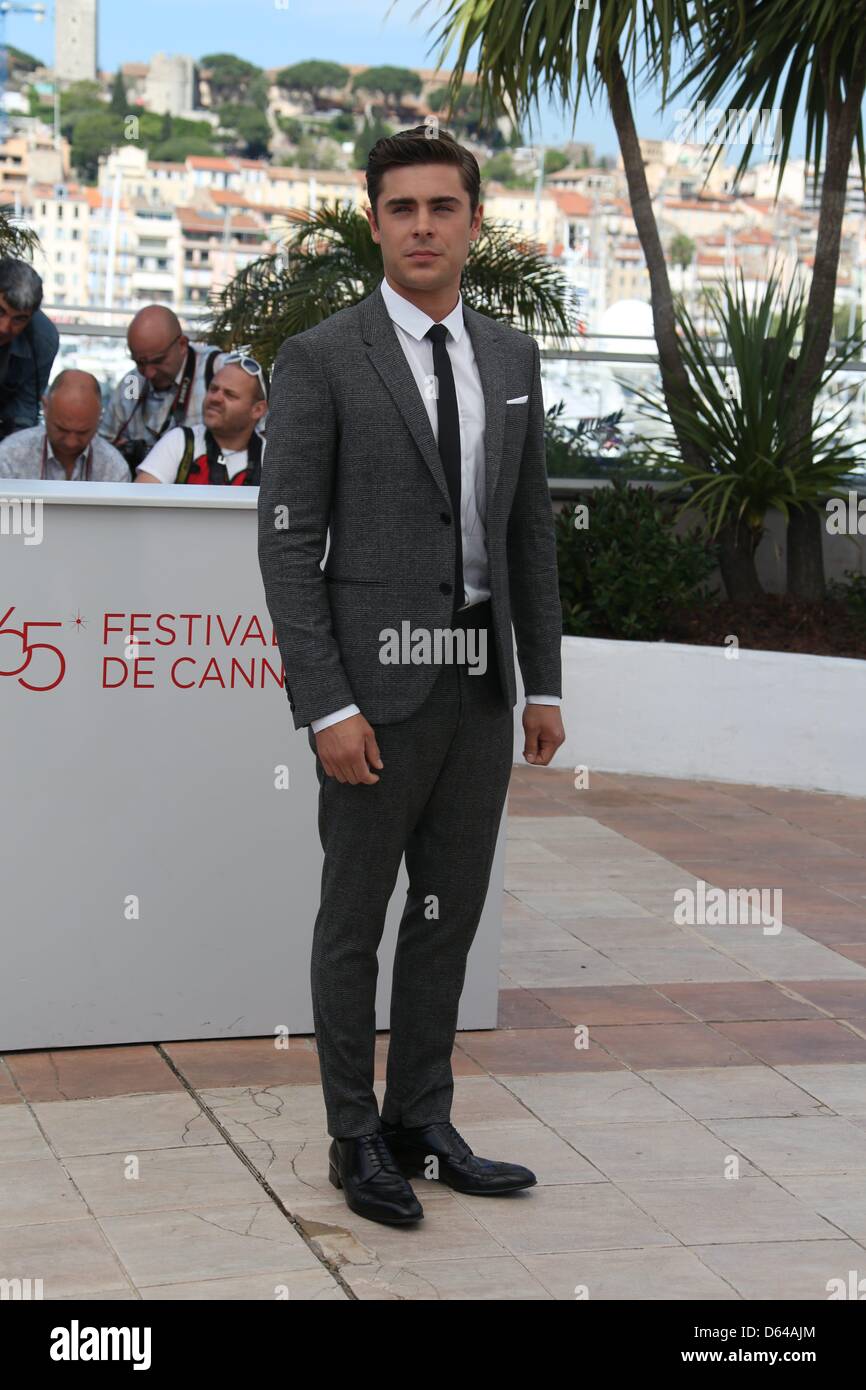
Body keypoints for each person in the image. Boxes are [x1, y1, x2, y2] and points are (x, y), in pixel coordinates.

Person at [258, 127, 566, 1227]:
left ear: (475, 222)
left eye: (443, 206)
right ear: (374, 221)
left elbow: (528, 532)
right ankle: (353, 1135)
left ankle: (420, 1119)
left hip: (479, 686)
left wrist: (543, 683)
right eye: (402, 208)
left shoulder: (513, 359)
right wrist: (325, 702)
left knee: (446, 914)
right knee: (356, 920)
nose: (423, 225)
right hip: (370, 698)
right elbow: (289, 547)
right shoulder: (320, 357)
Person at [100, 305, 228, 473]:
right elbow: (101, 448)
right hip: (143, 490)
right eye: (140, 363)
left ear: (182, 345)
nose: (149, 373)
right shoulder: (132, 383)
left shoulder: (219, 371)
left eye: (158, 361)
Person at [134, 352, 268, 484]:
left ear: (257, 410)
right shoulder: (180, 442)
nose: (215, 398)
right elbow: (138, 502)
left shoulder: (273, 460)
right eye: (213, 389)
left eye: (230, 395)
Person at [0, 369, 129, 480]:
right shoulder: (9, 457)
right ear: (45, 408)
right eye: (61, 429)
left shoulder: (114, 468)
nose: (70, 442)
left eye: (82, 432)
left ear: (99, 417)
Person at [0, 258, 59, 440]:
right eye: (0, 311)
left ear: (31, 317)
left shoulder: (43, 339)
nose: (4, 328)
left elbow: (24, 412)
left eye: (18, 319)